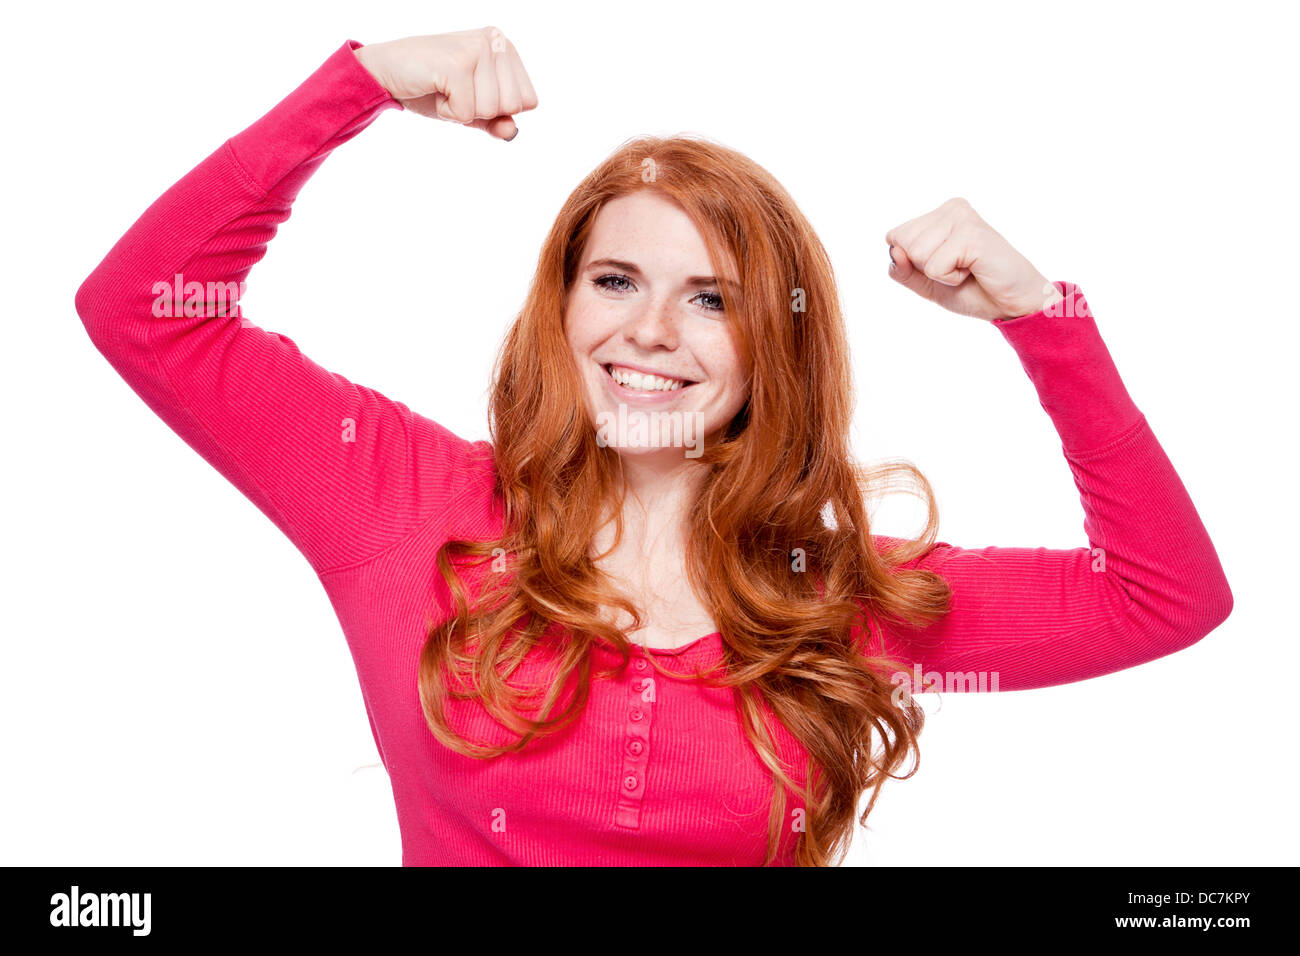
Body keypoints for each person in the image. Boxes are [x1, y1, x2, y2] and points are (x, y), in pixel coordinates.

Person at [74, 27, 1233, 867]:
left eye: (711, 299)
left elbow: (1163, 597)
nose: (648, 333)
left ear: (773, 347)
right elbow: (145, 309)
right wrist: (360, 86)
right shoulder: (403, 500)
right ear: (563, 304)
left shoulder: (835, 600)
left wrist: (1041, 320)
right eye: (616, 279)